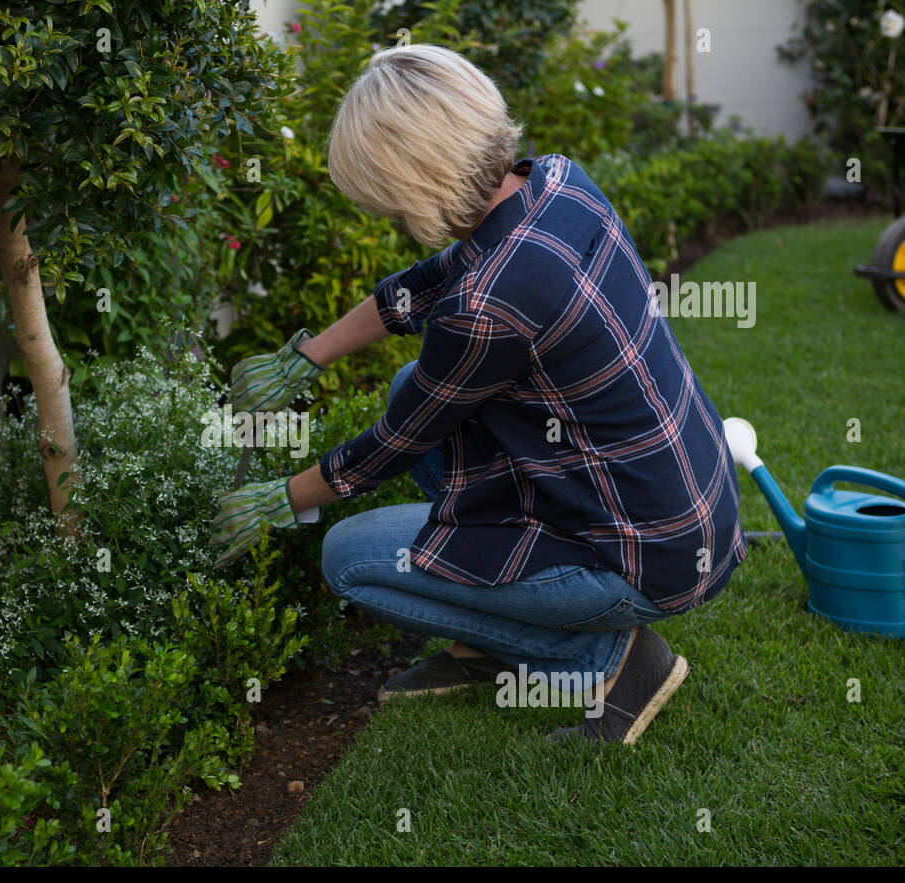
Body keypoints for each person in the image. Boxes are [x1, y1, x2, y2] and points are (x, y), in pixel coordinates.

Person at [209, 43, 745, 745]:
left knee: (350, 559)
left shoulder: (487, 310)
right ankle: (500, 638)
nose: (384, 216)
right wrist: (306, 356)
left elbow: (394, 445)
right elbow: (436, 277)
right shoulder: (556, 181)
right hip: (683, 509)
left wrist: (280, 499)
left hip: (644, 556)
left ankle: (609, 655)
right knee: (410, 383)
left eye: (384, 200)